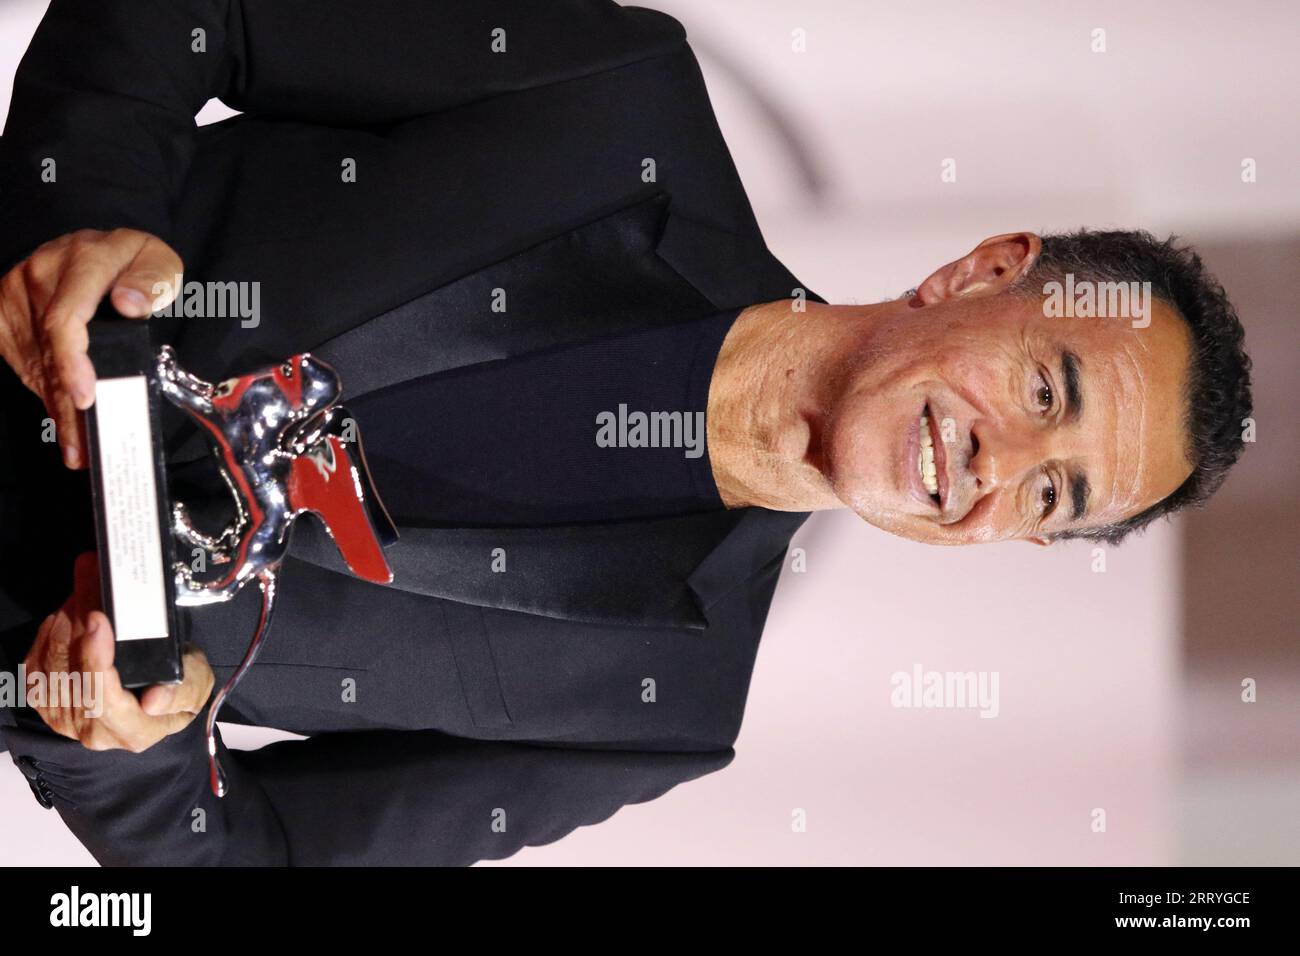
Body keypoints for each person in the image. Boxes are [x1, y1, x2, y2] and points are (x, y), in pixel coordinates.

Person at [0, 0, 1251, 865]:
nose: (1002, 467)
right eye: (1046, 394)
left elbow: (255, 855)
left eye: (1052, 497)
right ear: (982, 271)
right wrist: (87, 208)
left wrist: (132, 751)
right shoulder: (614, 96)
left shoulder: (664, 713)